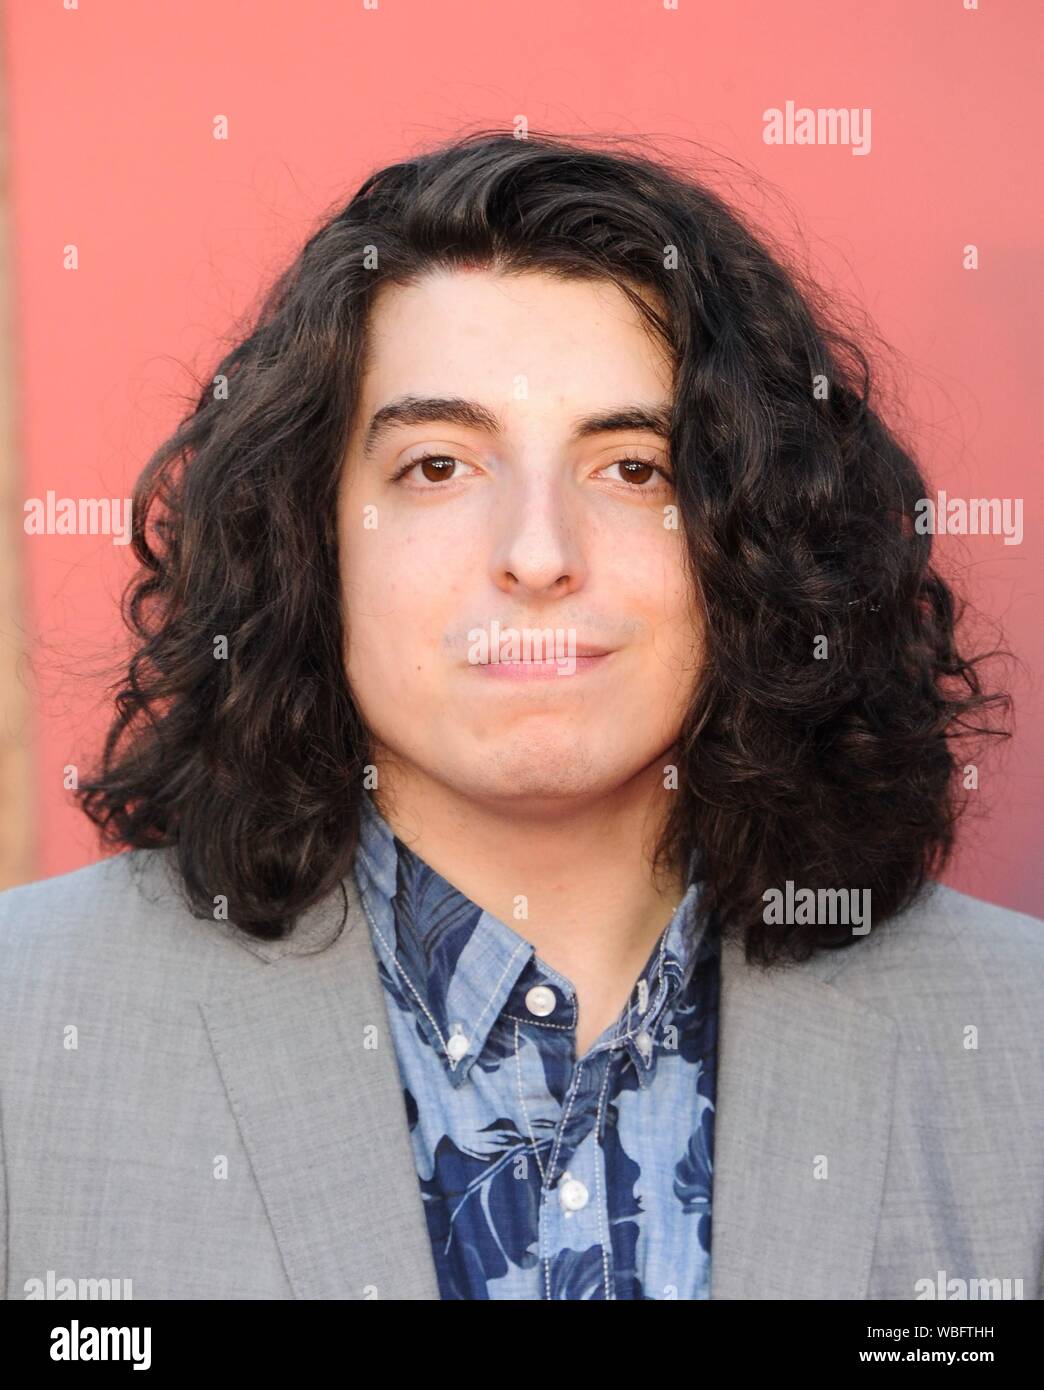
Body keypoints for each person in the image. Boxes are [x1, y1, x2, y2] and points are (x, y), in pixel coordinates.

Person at [1, 130, 1041, 1301]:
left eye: (634, 468)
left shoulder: (1020, 1042)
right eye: (439, 467)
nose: (538, 554)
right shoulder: (25, 1028)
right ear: (311, 537)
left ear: (751, 538)